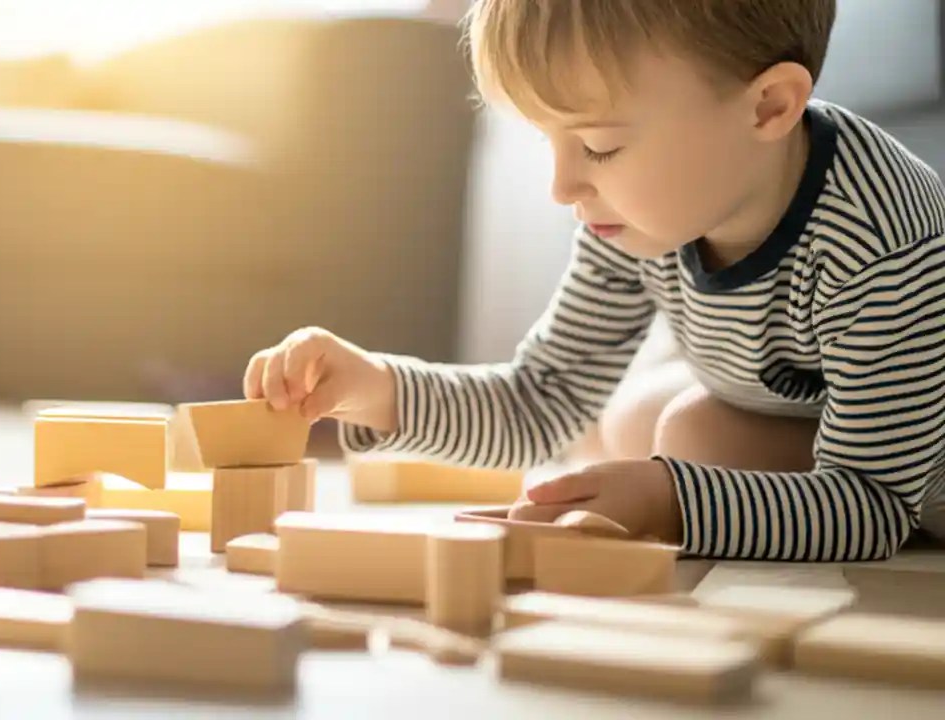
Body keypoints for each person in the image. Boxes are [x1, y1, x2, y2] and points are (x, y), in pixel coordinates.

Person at [243, 0, 945, 560]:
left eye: (600, 147)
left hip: (919, 468)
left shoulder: (883, 243)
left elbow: (874, 504)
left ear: (768, 107)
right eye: (546, 140)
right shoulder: (640, 210)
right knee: (633, 421)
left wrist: (670, 500)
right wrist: (378, 390)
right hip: (795, 410)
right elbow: (542, 401)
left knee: (684, 442)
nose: (562, 186)